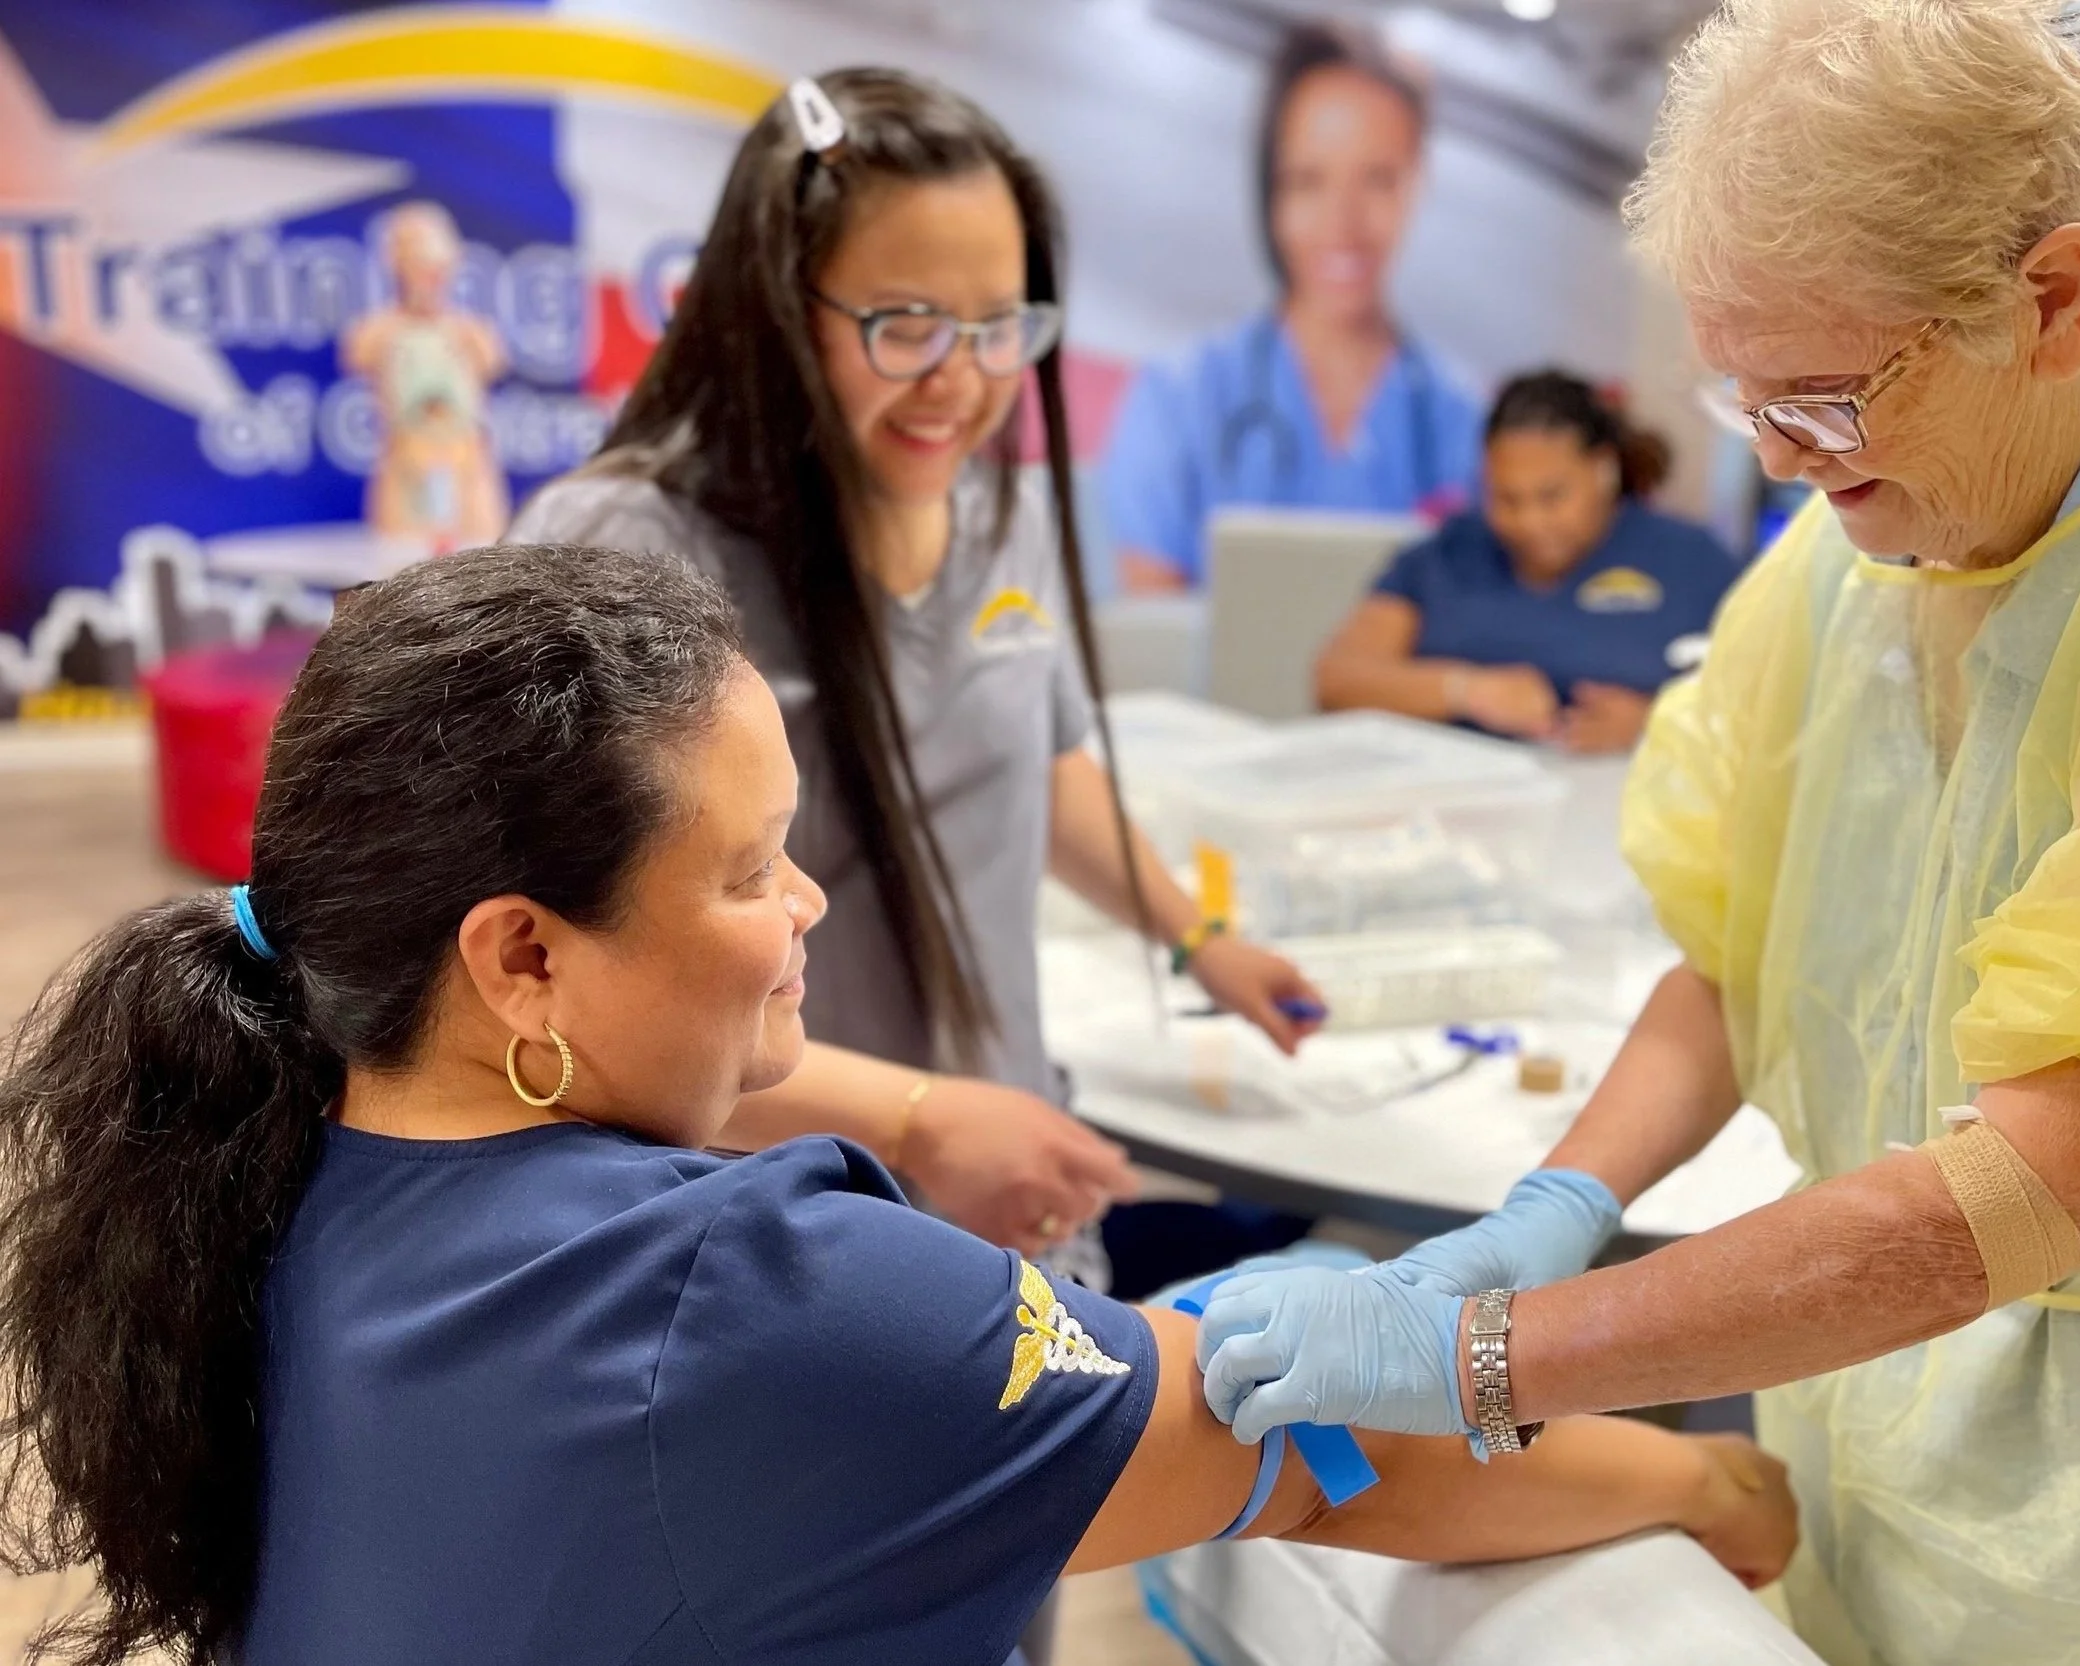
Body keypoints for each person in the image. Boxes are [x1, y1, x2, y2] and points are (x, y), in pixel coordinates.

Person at [1186, 3, 2080, 1662]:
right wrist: (1554, 1205)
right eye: (1742, 403)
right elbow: (1736, 959)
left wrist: (1491, 1359)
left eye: (1821, 398)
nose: (1788, 461)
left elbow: (2044, 1187)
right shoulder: (1853, 558)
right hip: (1883, 1442)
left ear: (2053, 299)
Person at [0, 544, 1799, 1665]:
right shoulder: (756, 1296)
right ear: (523, 958)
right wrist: (1719, 1479)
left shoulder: (276, 1168)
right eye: (751, 868)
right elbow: (1338, 1457)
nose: (807, 905)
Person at [512, 71, 1322, 1269]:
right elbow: (573, 990)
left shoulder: (1005, 515)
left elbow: (1036, 763)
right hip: (762, 1227)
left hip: (1003, 1195)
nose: (961, 380)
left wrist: (1198, 936)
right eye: (904, 323)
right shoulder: (625, 548)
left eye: (999, 327)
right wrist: (914, 1121)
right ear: (774, 306)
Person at [1095, 21, 1482, 594]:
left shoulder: (1463, 427)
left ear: (1417, 184)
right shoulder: (1177, 400)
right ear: (1270, 191)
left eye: (1378, 181)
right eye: (1307, 181)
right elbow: (1152, 628)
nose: (1342, 223)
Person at [1314, 370, 1738, 752]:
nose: (1530, 522)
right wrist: (1465, 691)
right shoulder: (1448, 555)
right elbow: (1338, 679)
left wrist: (1654, 724)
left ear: (1604, 471)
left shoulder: (1692, 562)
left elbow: (1757, 711)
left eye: (1552, 497)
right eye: (1507, 499)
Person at [341, 201, 508, 553]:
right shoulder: (377, 332)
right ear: (398, 266)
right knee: (405, 562)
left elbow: (493, 362)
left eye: (436, 266)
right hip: (407, 465)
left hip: (465, 468)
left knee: (478, 559)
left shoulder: (472, 333)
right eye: (418, 265)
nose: (429, 277)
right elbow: (358, 355)